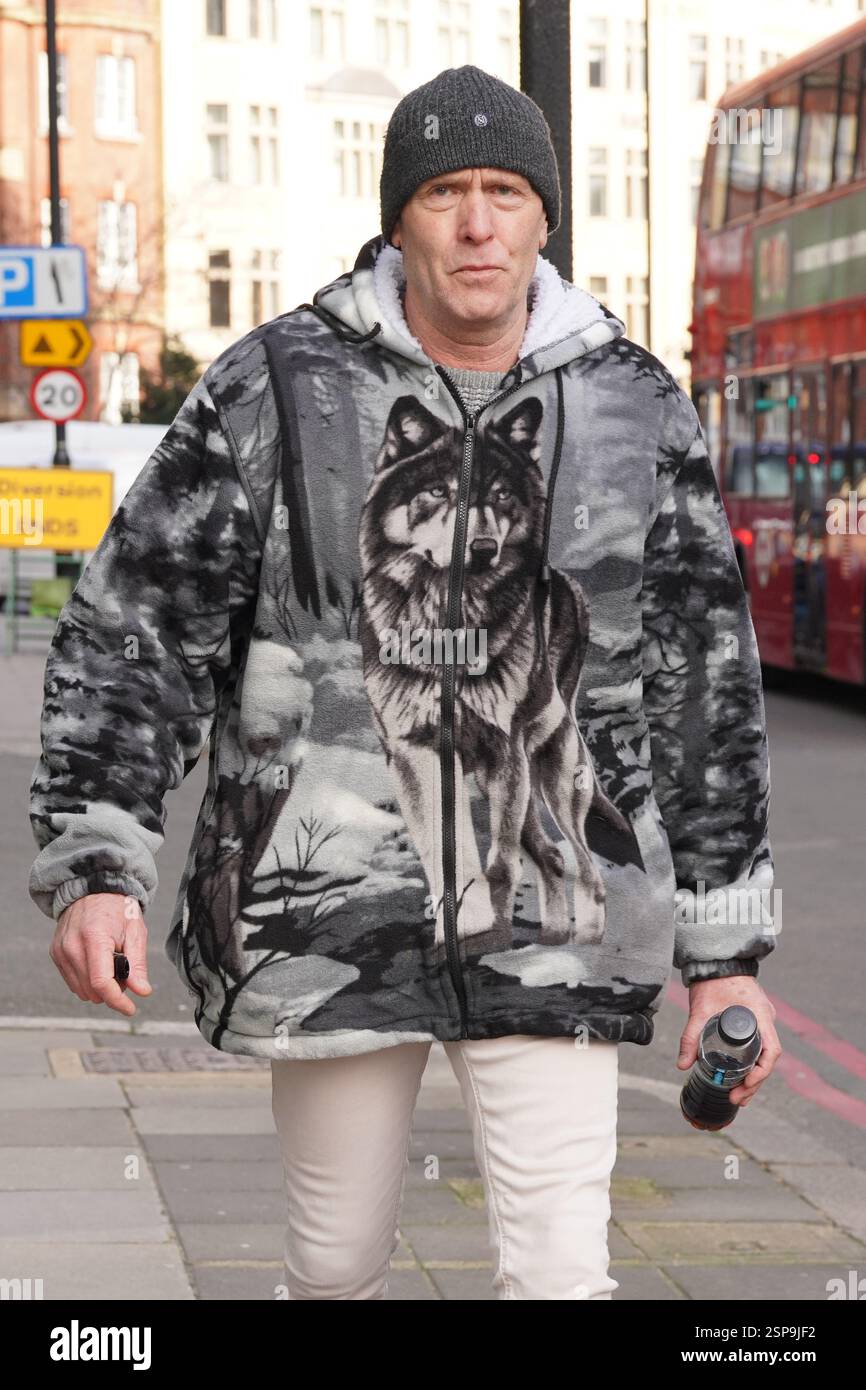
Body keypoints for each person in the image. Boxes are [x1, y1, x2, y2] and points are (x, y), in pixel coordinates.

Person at [28, 65, 781, 1300]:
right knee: (334, 1265)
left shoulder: (634, 406)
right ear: (398, 219)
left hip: (559, 920)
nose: (476, 224)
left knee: (559, 1273)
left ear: (543, 218)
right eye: (443, 193)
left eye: (504, 192)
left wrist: (724, 951)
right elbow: (138, 625)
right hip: (330, 914)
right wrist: (100, 862)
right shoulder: (274, 386)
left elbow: (703, 689)